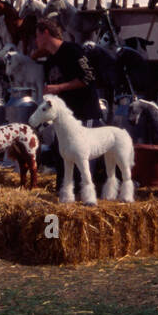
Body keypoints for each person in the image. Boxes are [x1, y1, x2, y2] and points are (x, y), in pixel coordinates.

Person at [33, 18, 103, 191]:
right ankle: (63, 195)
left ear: (46, 33)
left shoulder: (72, 50)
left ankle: (84, 198)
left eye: (37, 36)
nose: (35, 41)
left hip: (84, 114)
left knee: (81, 158)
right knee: (61, 156)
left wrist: (59, 87)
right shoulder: (49, 61)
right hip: (64, 120)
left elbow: (88, 77)